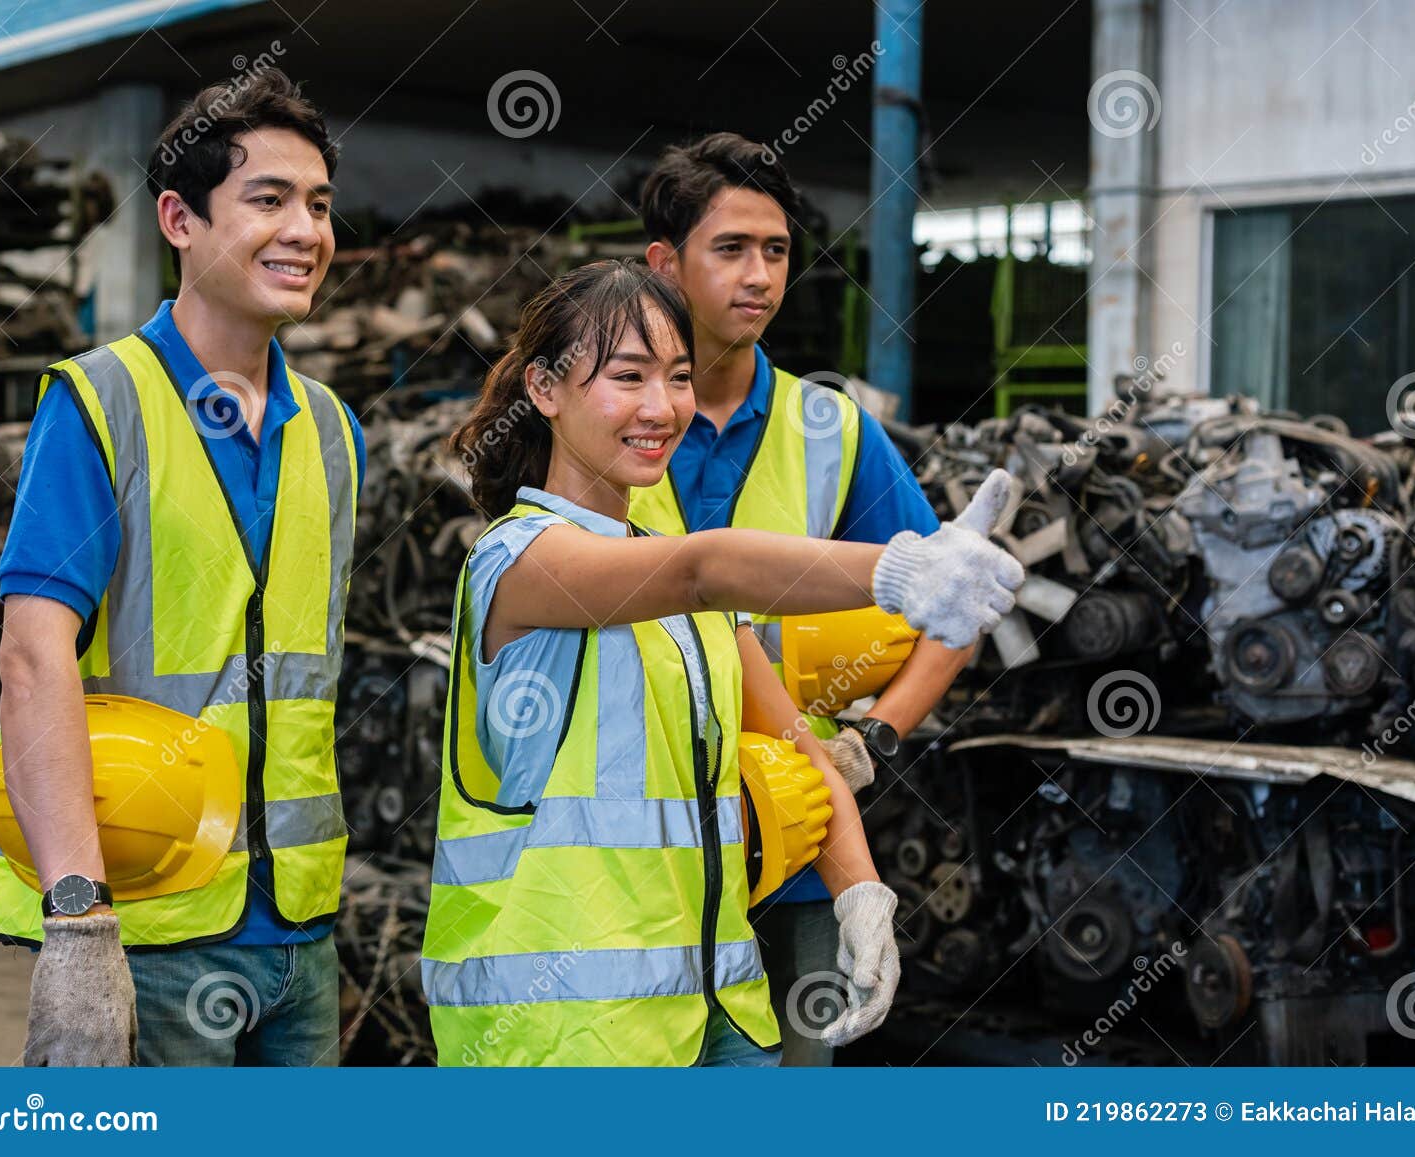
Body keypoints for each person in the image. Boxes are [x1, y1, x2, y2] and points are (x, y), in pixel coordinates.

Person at [424, 259, 1023, 1066]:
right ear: (544, 389)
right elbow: (703, 566)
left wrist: (860, 889)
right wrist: (898, 568)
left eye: (677, 377)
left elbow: (795, 747)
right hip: (566, 1030)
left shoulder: (673, 585)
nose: (660, 406)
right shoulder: (517, 562)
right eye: (627, 376)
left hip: (714, 1006)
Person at [0, 69, 365, 1067]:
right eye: (269, 199)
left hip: (299, 935)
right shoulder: (101, 401)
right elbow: (32, 656)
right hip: (147, 926)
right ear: (180, 219)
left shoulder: (331, 431)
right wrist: (77, 919)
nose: (306, 229)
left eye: (319, 204)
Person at [632, 131, 974, 1064]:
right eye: (730, 249)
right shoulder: (610, 423)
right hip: (636, 848)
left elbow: (952, 610)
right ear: (664, 264)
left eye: (776, 252)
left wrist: (875, 738)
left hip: (794, 851)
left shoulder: (831, 432)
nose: (759, 276)